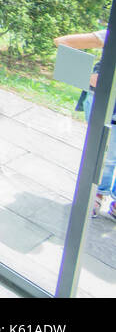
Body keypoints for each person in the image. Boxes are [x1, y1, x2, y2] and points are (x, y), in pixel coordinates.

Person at [55, 29, 115, 218]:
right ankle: (96, 195)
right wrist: (88, 77)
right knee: (103, 157)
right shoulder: (112, 33)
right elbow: (62, 41)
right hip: (104, 103)